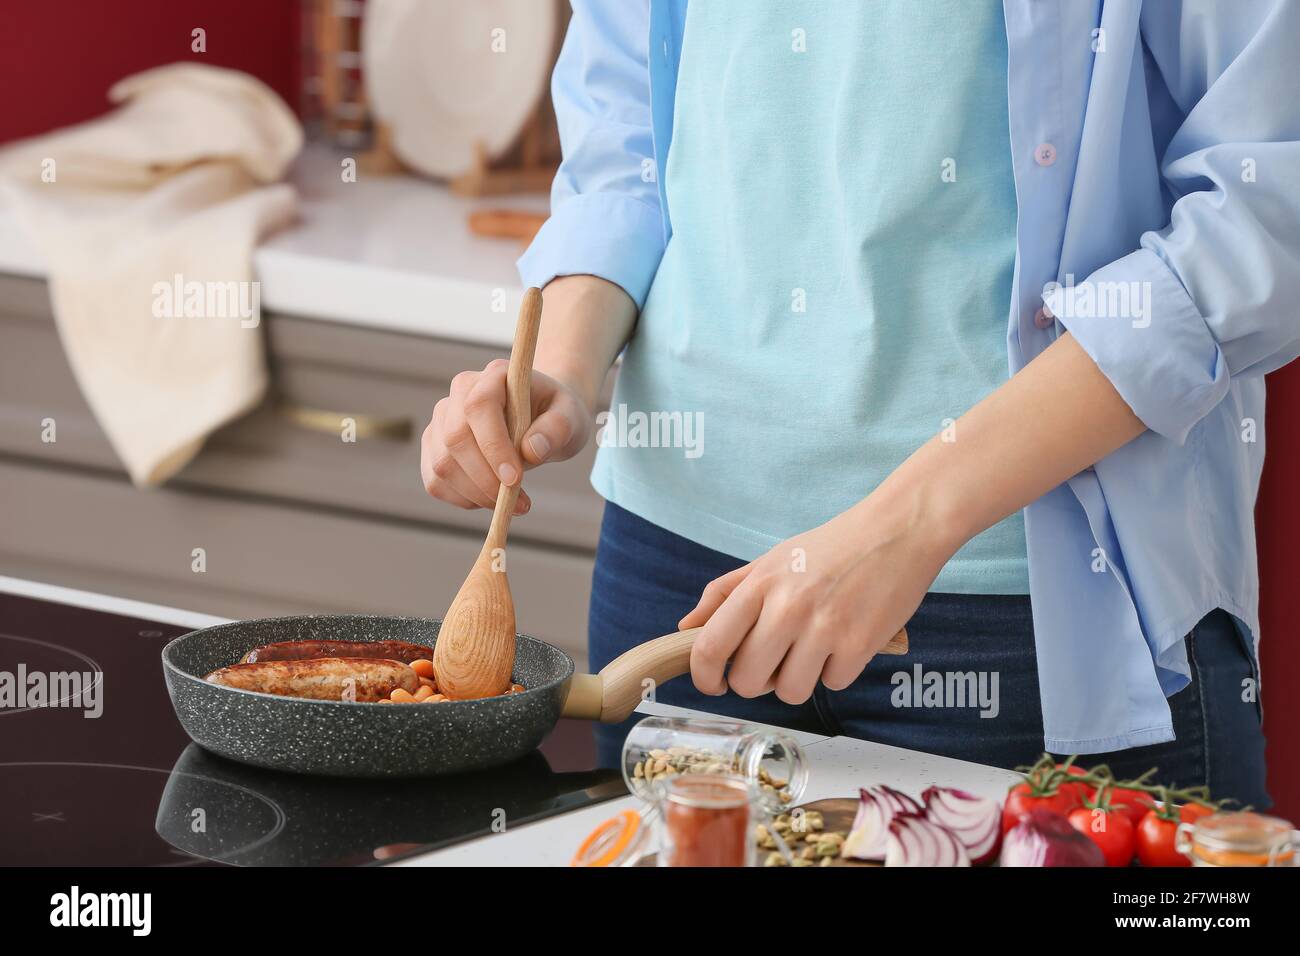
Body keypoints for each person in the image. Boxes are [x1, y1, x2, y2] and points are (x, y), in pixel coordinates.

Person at [422, 1, 1299, 809]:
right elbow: (629, 118)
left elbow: (1263, 212)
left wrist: (908, 522)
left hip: (1031, 611)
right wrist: (565, 371)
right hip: (675, 577)